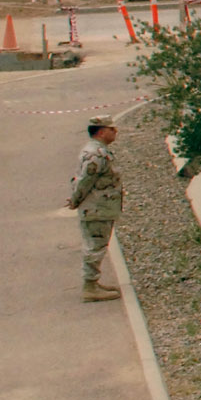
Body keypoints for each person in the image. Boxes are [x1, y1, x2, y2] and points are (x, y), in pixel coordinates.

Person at [66, 114, 124, 302]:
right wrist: (75, 200)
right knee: (95, 246)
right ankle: (90, 286)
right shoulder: (96, 154)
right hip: (97, 208)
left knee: (97, 245)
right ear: (101, 131)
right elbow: (85, 181)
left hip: (100, 207)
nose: (115, 132)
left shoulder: (96, 150)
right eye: (111, 129)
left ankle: (94, 282)